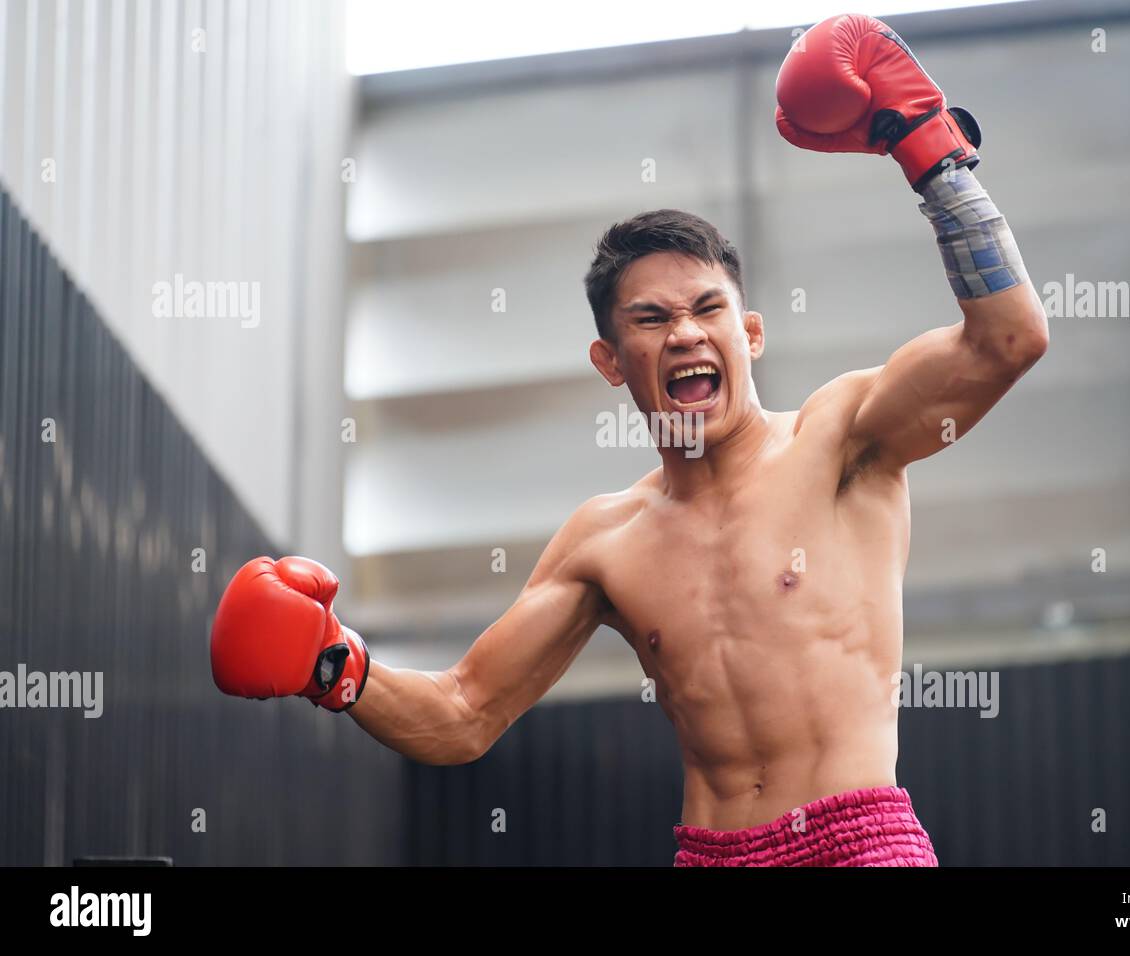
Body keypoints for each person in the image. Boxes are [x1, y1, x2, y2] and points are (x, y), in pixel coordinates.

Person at [210, 13, 1048, 866]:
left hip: (856, 843)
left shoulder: (843, 440)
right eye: (653, 320)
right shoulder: (605, 542)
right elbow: (463, 716)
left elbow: (1006, 340)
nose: (685, 333)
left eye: (707, 310)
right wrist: (331, 667)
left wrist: (931, 153)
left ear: (749, 334)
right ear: (611, 361)